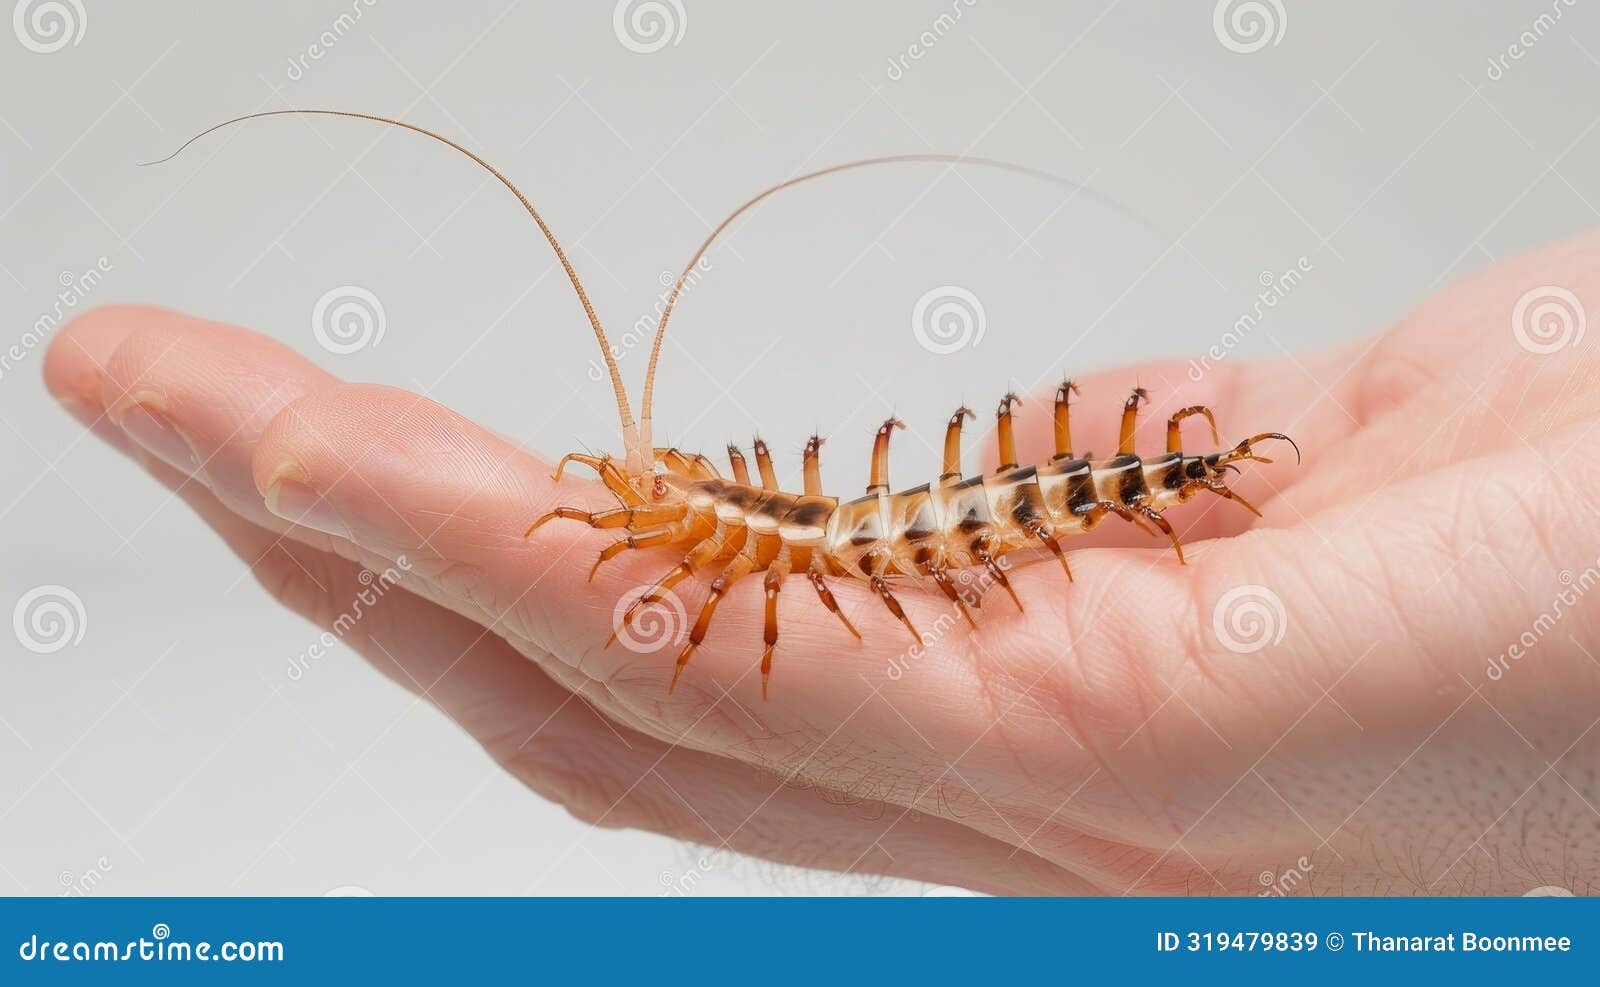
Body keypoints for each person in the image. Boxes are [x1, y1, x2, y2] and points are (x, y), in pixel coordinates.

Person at [42, 229, 1600, 896]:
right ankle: (1180, 473)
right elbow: (729, 534)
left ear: (695, 509)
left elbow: (800, 549)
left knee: (1001, 507)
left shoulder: (735, 549)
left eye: (655, 500)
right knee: (971, 510)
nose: (628, 503)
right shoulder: (717, 535)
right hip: (867, 529)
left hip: (915, 526)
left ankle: (1173, 475)